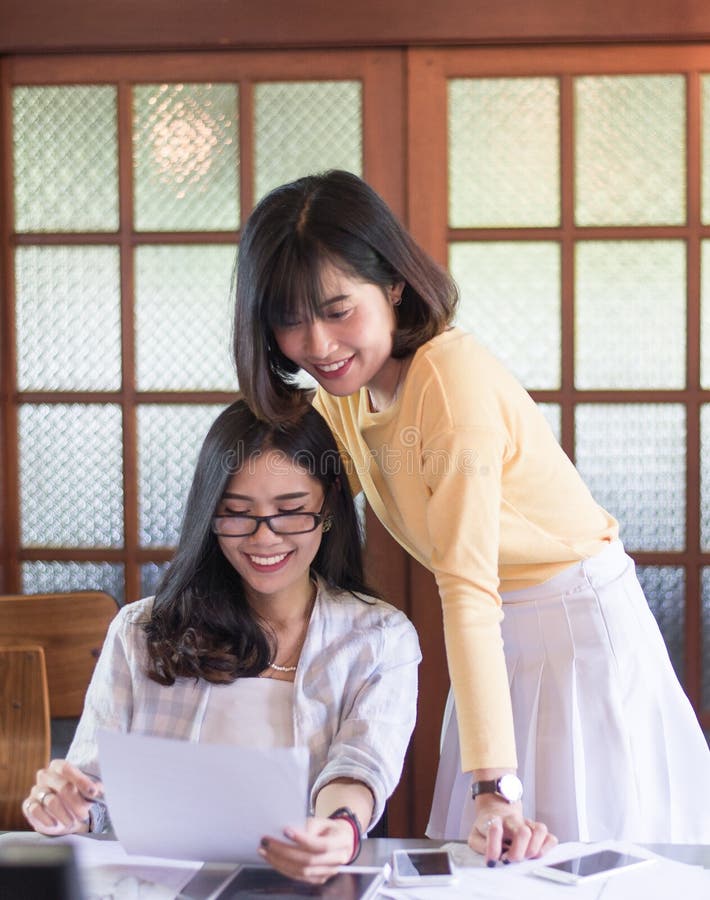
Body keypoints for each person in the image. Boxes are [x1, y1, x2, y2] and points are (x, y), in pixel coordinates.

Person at [232, 168, 710, 863]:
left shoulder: (449, 383)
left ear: (394, 285)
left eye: (338, 310)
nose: (317, 344)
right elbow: (296, 513)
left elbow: (464, 585)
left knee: (581, 862)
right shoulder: (346, 390)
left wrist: (495, 781)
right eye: (288, 319)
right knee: (489, 862)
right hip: (493, 635)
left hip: (576, 630)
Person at [22, 398, 421, 884]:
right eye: (237, 513)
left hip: (302, 886)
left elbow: (358, 768)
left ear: (329, 507)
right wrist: (65, 804)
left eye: (291, 511)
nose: (264, 538)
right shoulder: (140, 631)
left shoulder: (378, 638)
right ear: (210, 514)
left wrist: (339, 829)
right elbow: (95, 792)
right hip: (157, 887)